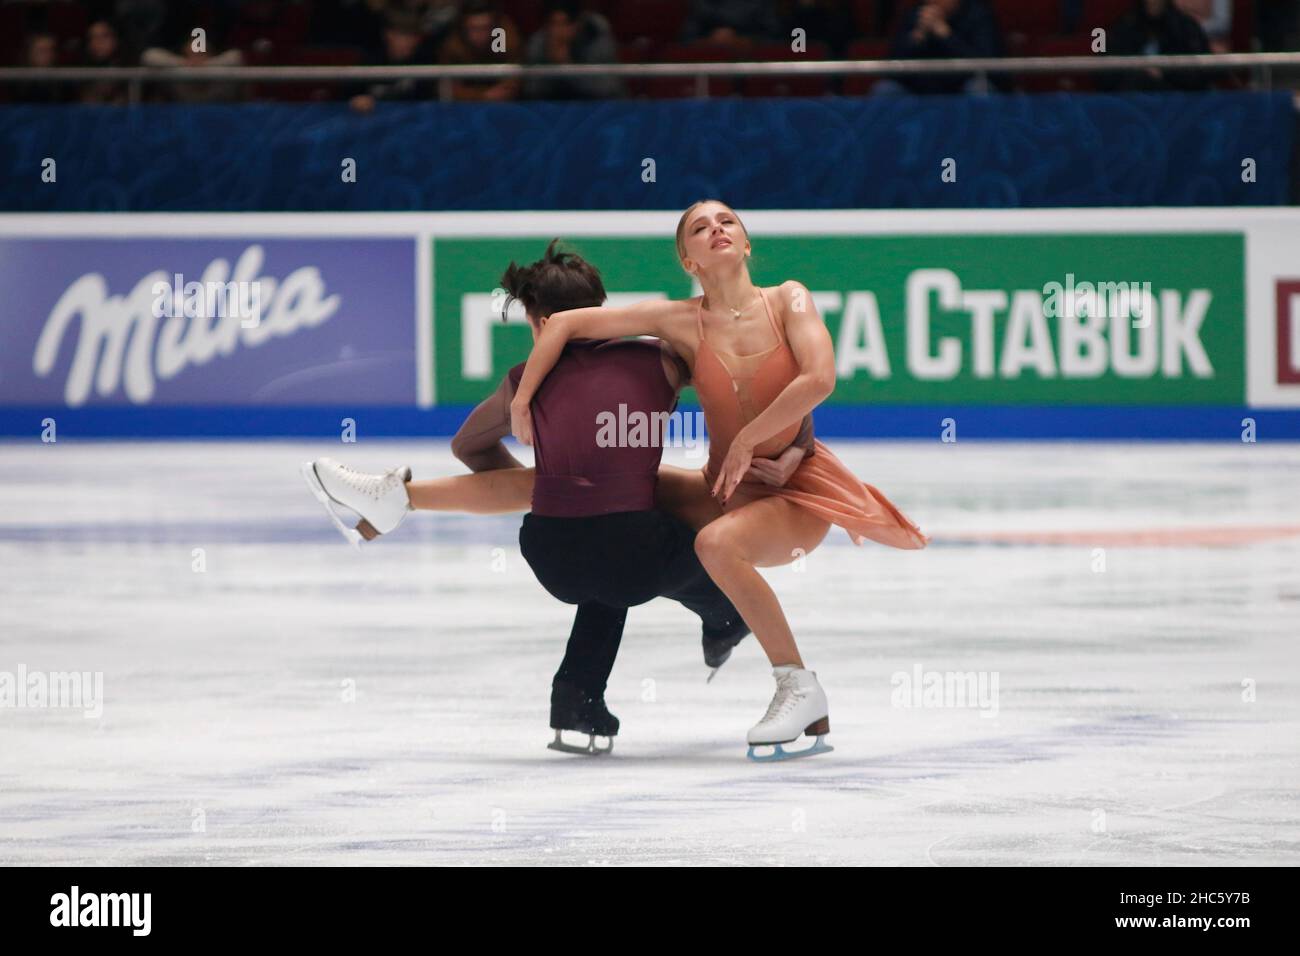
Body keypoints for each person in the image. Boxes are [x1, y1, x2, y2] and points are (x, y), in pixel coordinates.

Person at [302, 241, 816, 754]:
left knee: (604, 544)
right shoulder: (658, 358)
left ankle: (576, 701)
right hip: (637, 553)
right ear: (600, 308)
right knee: (654, 525)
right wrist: (798, 444)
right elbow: (753, 381)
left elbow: (466, 447)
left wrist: (543, 486)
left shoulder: (524, 379)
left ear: (536, 320)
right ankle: (724, 620)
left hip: (550, 551)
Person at [510, 201, 930, 760]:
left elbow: (819, 378)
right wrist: (521, 400)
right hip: (725, 487)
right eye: (700, 228)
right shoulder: (678, 320)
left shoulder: (790, 298)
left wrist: (767, 441)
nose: (718, 229)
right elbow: (562, 324)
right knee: (610, 493)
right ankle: (407, 495)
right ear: (689, 259)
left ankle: (797, 686)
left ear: (747, 242)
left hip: (792, 489)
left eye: (728, 221)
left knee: (715, 542)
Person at [875, 0, 1004, 96]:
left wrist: (945, 35)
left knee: (979, 89)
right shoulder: (914, 15)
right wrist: (917, 37)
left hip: (961, 85)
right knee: (886, 89)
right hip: (920, 88)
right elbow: (892, 66)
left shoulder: (978, 15)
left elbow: (985, 65)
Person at [523, 0, 623, 100]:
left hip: (596, 108)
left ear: (579, 23)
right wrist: (552, 65)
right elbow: (532, 91)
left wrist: (566, 66)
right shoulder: (538, 43)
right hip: (550, 109)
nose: (559, 31)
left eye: (565, 23)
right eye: (553, 23)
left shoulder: (597, 39)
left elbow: (607, 89)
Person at [1101, 0, 1211, 92]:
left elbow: (1201, 75)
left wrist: (1165, 72)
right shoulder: (1125, 27)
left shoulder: (1185, 28)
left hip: (1177, 103)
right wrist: (1140, 71)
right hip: (1133, 103)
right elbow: (1107, 77)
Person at [437, 0, 521, 102]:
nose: (479, 34)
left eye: (485, 28)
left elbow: (513, 85)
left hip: (502, 106)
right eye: (473, 28)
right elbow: (450, 90)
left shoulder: (508, 41)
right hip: (465, 108)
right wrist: (483, 96)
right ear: (464, 29)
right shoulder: (453, 46)